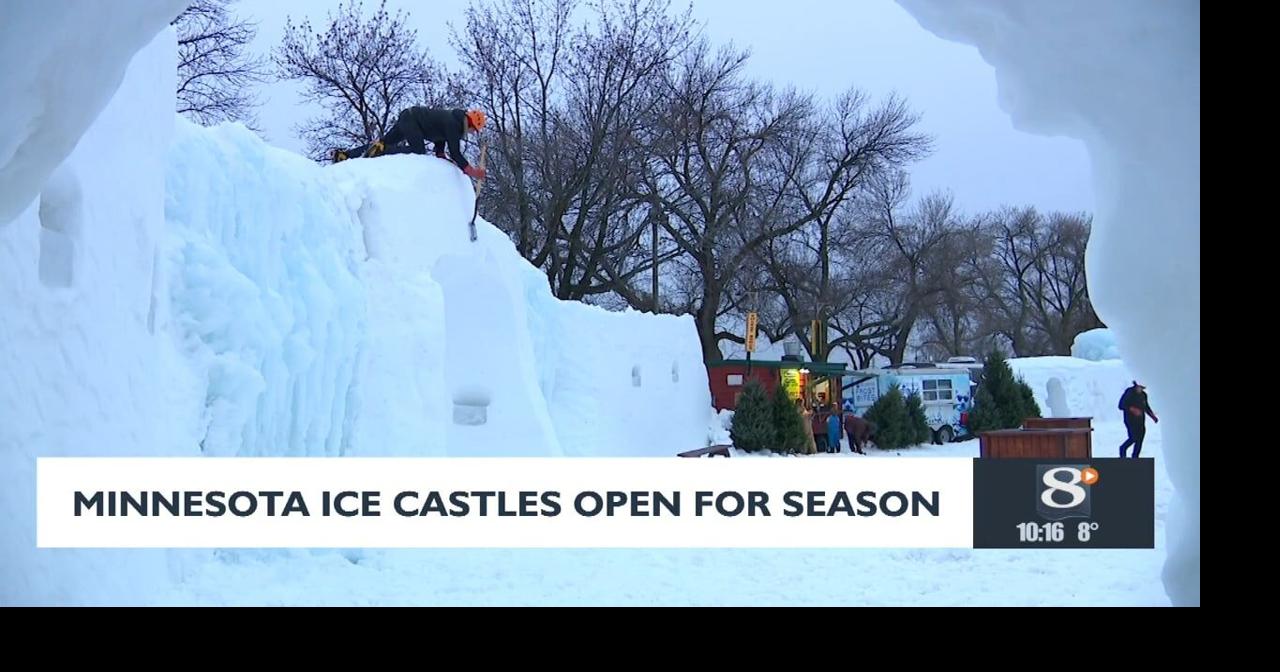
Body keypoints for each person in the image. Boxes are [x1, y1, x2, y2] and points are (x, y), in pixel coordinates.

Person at [333, 106, 488, 180]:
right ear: (472, 124)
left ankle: (345, 155)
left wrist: (441, 156)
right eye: (474, 130)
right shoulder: (455, 125)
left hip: (409, 116)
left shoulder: (452, 121)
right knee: (418, 151)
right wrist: (472, 171)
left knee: (383, 143)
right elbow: (455, 152)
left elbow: (440, 141)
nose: (472, 133)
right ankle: (380, 153)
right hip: (412, 121)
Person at [1118, 381, 1159, 458]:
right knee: (1133, 437)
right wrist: (1132, 409)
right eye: (1140, 387)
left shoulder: (1143, 395)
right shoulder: (1129, 392)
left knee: (1140, 439)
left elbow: (1146, 407)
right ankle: (1122, 450)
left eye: (1143, 388)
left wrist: (1153, 416)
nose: (1141, 389)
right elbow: (1121, 405)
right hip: (1130, 420)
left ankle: (1135, 457)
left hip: (1140, 421)